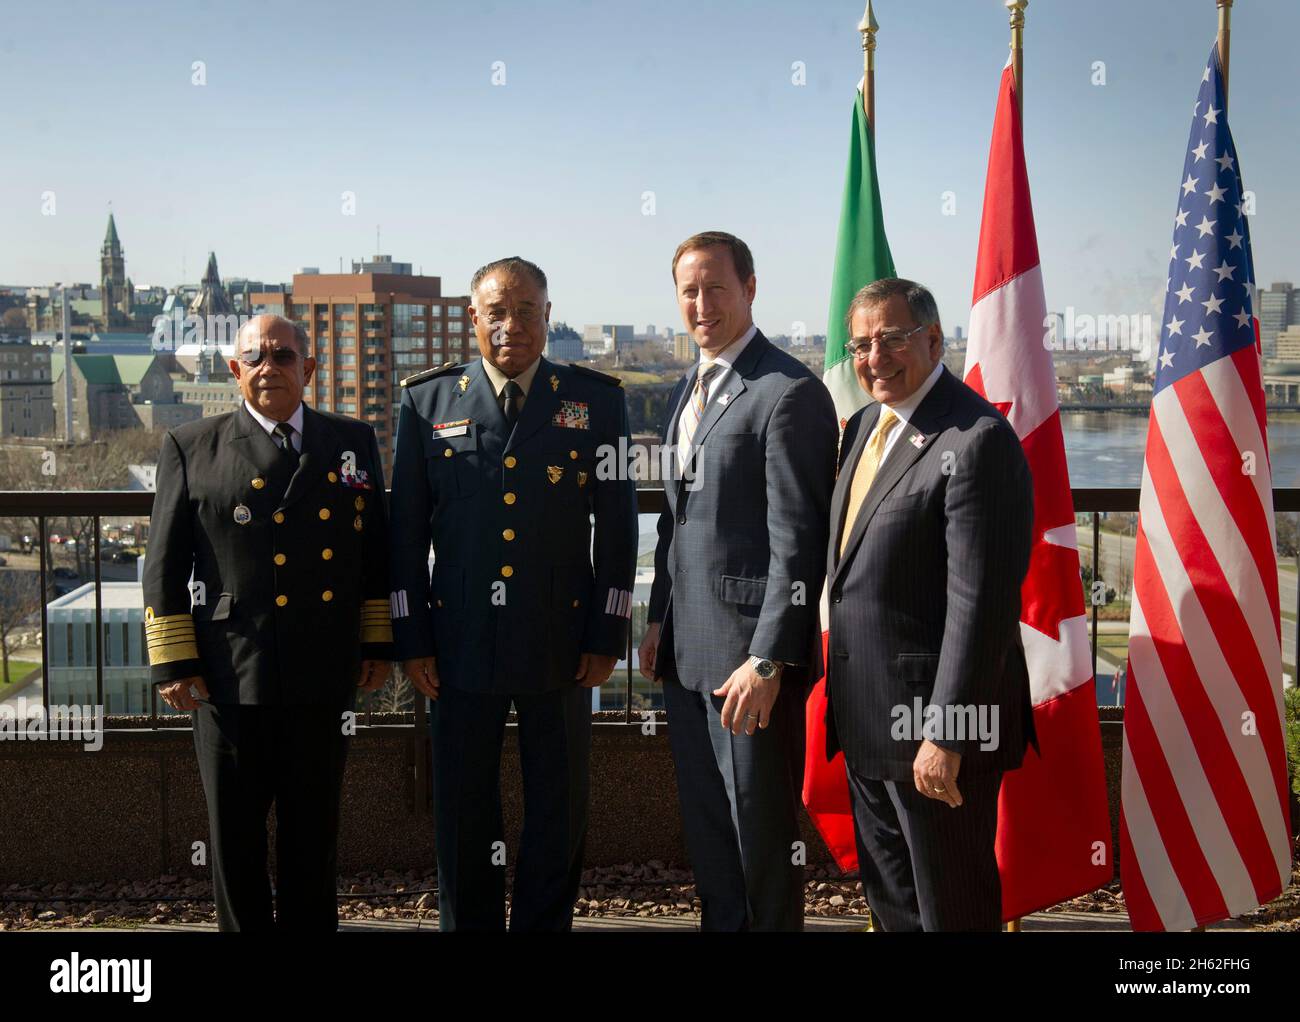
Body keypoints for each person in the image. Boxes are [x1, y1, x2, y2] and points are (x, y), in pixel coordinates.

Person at [389, 256, 637, 932]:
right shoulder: (426, 400)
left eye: (528, 310)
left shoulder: (594, 399)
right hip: (457, 644)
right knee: (465, 810)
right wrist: (410, 639)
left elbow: (617, 530)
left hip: (561, 644)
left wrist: (606, 634)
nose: (512, 325)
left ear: (548, 318)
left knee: (557, 808)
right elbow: (404, 537)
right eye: (497, 311)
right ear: (474, 319)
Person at [142, 313, 393, 931]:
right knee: (234, 842)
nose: (268, 367)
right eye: (254, 357)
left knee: (314, 836)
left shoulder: (352, 442)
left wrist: (377, 643)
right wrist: (174, 662)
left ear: (307, 369)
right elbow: (164, 565)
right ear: (234, 371)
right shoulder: (190, 445)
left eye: (283, 356)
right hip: (231, 675)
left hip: (321, 668)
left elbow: (375, 556)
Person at [639, 231, 838, 931]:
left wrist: (769, 659)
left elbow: (799, 544)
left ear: (750, 288)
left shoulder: (787, 393)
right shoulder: (684, 391)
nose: (701, 304)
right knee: (712, 839)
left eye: (715, 287)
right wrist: (657, 619)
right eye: (688, 291)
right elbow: (675, 526)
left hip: (750, 667)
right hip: (687, 658)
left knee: (761, 840)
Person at [824, 277, 1035, 931]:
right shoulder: (863, 426)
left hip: (937, 732)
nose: (873, 357)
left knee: (953, 909)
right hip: (868, 721)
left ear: (935, 339)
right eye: (860, 345)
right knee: (896, 910)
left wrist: (948, 733)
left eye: (891, 339)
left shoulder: (975, 439)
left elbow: (981, 604)